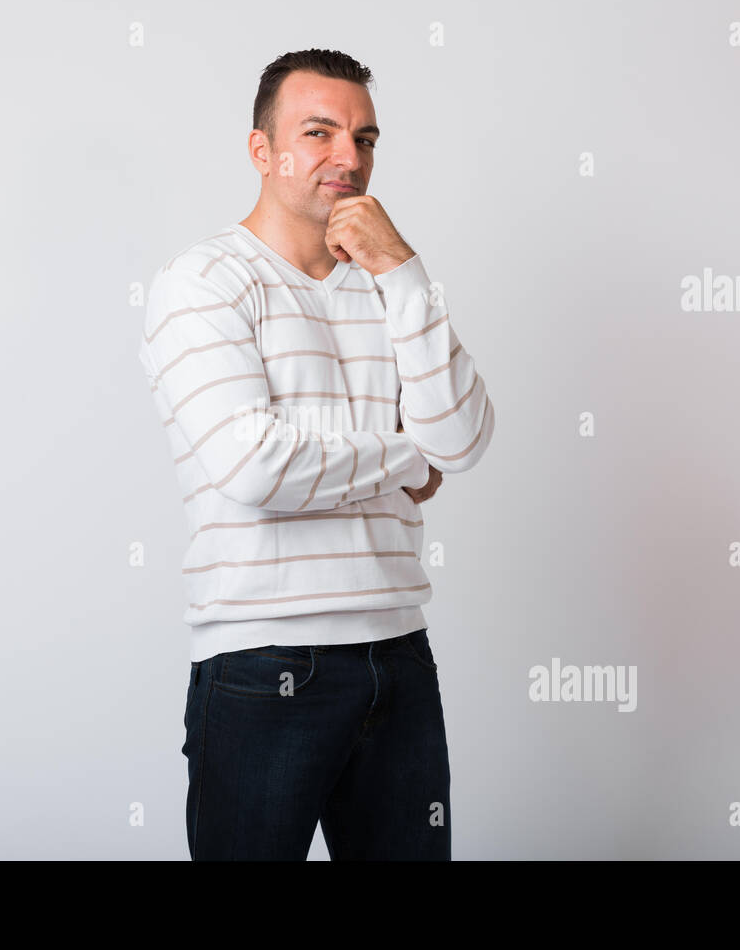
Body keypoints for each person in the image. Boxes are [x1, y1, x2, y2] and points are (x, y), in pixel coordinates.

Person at [138, 48, 495, 860]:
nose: (350, 156)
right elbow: (256, 466)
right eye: (320, 131)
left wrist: (405, 274)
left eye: (365, 137)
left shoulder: (386, 284)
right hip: (264, 662)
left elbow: (466, 439)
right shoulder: (202, 283)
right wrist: (408, 459)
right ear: (262, 151)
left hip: (399, 654)